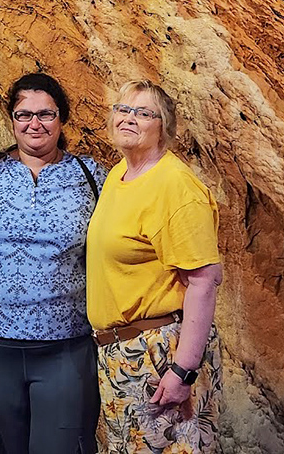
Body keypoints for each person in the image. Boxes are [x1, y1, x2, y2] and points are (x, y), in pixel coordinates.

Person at [86, 80, 222, 454]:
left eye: (144, 113)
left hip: (161, 352)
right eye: (123, 109)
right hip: (121, 354)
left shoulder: (176, 186)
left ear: (164, 126)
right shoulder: (119, 175)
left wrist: (183, 371)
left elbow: (205, 281)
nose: (129, 118)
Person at [0, 73, 106, 454]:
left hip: (65, 347)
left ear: (62, 118)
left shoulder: (90, 175)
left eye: (46, 114)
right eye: (23, 114)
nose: (34, 124)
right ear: (11, 120)